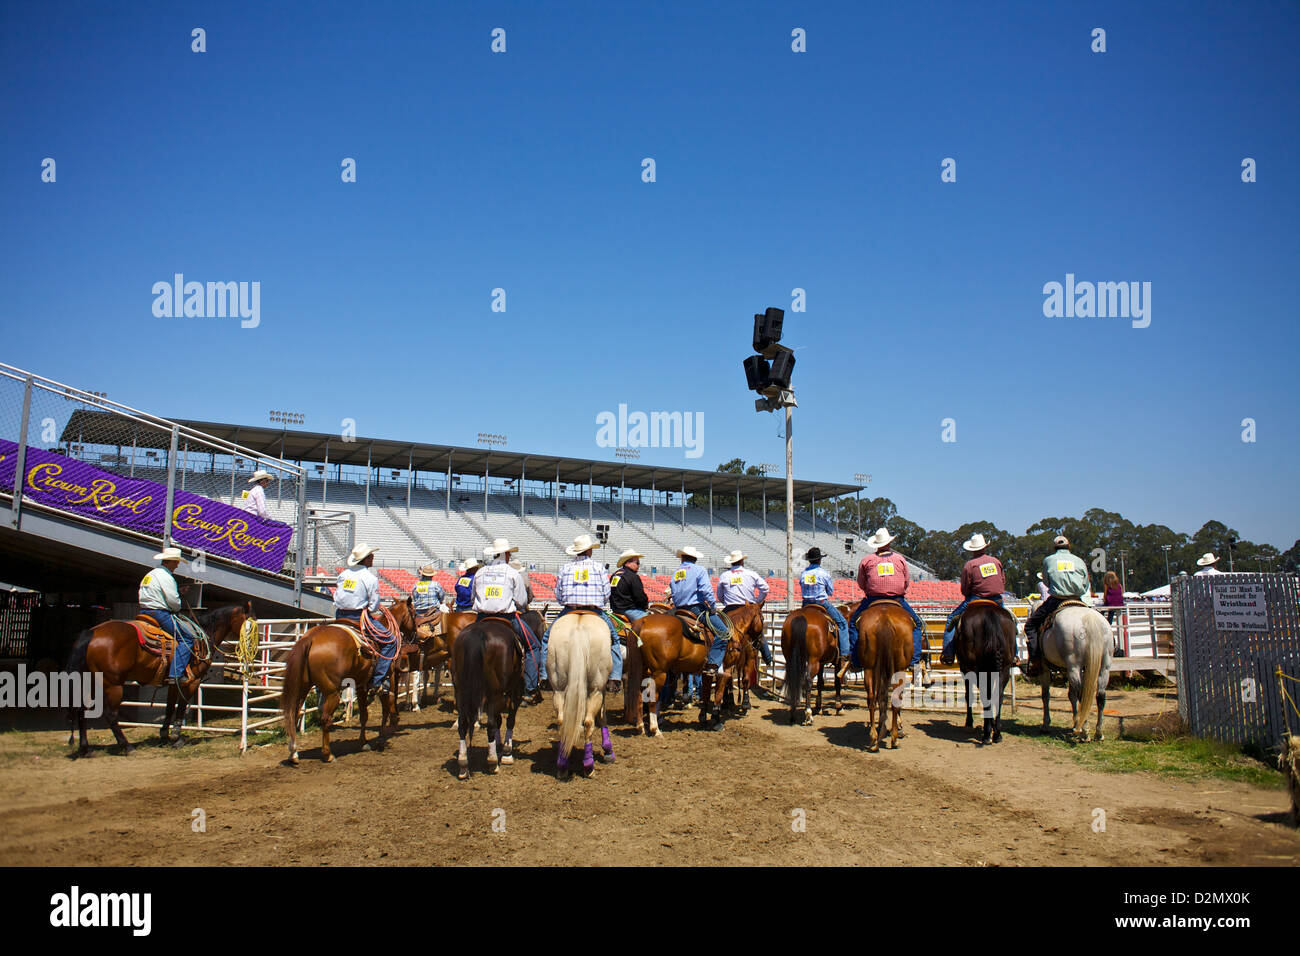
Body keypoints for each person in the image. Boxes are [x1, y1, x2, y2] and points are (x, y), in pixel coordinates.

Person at [846, 528, 929, 683]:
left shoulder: (867, 560)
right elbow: (906, 582)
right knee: (917, 624)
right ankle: (914, 660)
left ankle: (855, 660)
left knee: (853, 624)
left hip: (872, 600)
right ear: (889, 542)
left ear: (876, 544)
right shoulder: (900, 559)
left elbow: (861, 583)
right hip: (897, 600)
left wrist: (872, 590)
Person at [542, 533, 622, 693]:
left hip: (569, 611)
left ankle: (544, 676)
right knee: (614, 640)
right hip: (594, 612)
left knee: (546, 640)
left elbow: (558, 595)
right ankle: (615, 676)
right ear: (590, 551)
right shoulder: (599, 568)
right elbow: (607, 594)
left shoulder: (566, 568)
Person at [472, 538, 539, 700]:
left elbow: (472, 596)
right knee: (533, 647)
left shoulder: (480, 572)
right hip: (507, 618)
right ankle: (530, 688)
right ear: (506, 555)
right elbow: (522, 601)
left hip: (482, 618)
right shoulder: (512, 573)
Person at [1023, 535, 1091, 676]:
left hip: (1057, 600)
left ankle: (1035, 660)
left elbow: (1046, 583)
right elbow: (1085, 584)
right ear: (1069, 546)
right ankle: (1111, 651)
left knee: (1031, 625)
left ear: (1054, 548)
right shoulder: (1079, 561)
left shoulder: (1049, 560)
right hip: (1077, 600)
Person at [334, 543, 396, 696]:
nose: (373, 557)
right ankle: (377, 681)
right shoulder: (370, 578)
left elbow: (337, 596)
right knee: (390, 641)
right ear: (366, 559)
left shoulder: (343, 574)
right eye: (370, 556)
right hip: (359, 618)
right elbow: (374, 607)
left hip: (340, 616)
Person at [939, 533, 1006, 665]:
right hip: (996, 600)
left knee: (951, 620)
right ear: (985, 547)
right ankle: (1014, 655)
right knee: (1010, 622)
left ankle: (948, 654)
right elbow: (1002, 580)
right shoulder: (996, 561)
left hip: (976, 598)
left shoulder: (970, 565)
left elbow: (965, 589)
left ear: (972, 549)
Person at [668, 546, 730, 677]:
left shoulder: (676, 572)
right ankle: (713, 664)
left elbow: (673, 591)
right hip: (695, 609)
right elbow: (706, 590)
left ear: (683, 558)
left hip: (678, 610)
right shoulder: (699, 570)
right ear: (695, 558)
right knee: (723, 632)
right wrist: (712, 607)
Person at [138, 547, 192, 689]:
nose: (177, 565)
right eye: (176, 562)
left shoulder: (150, 574)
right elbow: (174, 602)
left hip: (144, 612)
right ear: (171, 561)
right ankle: (176, 674)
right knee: (187, 638)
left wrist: (177, 591)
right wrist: (177, 606)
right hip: (159, 613)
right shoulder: (167, 577)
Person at [717, 549, 772, 664]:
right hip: (748, 610)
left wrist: (726, 602)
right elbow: (765, 588)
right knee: (758, 632)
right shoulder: (751, 574)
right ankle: (767, 657)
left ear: (731, 562)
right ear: (742, 561)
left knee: (718, 631)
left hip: (730, 609)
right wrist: (756, 604)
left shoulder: (724, 575)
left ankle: (716, 658)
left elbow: (719, 595)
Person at [798, 547, 849, 666]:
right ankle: (845, 654)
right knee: (842, 623)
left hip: (806, 604)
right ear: (819, 560)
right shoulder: (824, 573)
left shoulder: (804, 573)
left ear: (809, 560)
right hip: (821, 603)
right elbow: (830, 592)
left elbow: (801, 586)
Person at [610, 548, 650, 628]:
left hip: (616, 610)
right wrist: (645, 605)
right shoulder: (632, 576)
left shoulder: (615, 575)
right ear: (628, 562)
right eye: (637, 563)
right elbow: (640, 596)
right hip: (630, 610)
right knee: (652, 624)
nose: (638, 566)